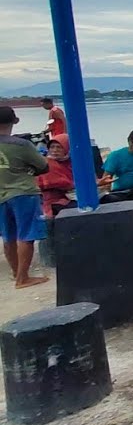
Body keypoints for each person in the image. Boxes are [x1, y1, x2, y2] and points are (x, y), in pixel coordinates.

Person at [0, 106, 49, 289]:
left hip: (1, 195)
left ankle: (15, 273)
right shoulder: (21, 145)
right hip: (23, 192)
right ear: (15, 121)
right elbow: (43, 167)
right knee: (26, 235)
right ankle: (23, 278)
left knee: (8, 236)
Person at [36, 133, 75, 217]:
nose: (55, 150)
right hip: (52, 203)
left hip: (69, 198)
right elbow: (62, 183)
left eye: (59, 147)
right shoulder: (47, 163)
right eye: (52, 147)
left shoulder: (72, 163)